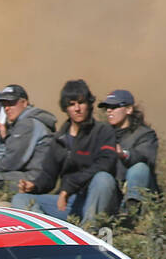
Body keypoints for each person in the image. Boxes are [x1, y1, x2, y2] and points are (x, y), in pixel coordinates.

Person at [10, 79, 119, 225]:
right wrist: (34, 186)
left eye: (81, 103)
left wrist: (69, 187)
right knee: (20, 199)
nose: (77, 108)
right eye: (72, 104)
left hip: (98, 199)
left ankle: (90, 231)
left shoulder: (103, 131)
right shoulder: (60, 139)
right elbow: (48, 176)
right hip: (70, 204)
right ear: (66, 108)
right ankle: (52, 237)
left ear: (89, 104)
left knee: (103, 178)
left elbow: (106, 164)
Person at [0, 85, 57, 196]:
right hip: (34, 177)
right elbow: (7, 157)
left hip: (34, 179)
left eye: (11, 103)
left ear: (24, 103)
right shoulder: (21, 123)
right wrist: (3, 138)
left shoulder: (27, 124)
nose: (6, 108)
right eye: (4, 104)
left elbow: (12, 161)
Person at [98, 88, 159, 218]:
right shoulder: (101, 135)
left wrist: (123, 154)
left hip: (143, 195)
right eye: (107, 107)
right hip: (113, 195)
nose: (109, 110)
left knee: (140, 168)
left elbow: (146, 157)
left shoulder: (145, 134)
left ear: (129, 109)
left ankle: (132, 210)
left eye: (114, 107)